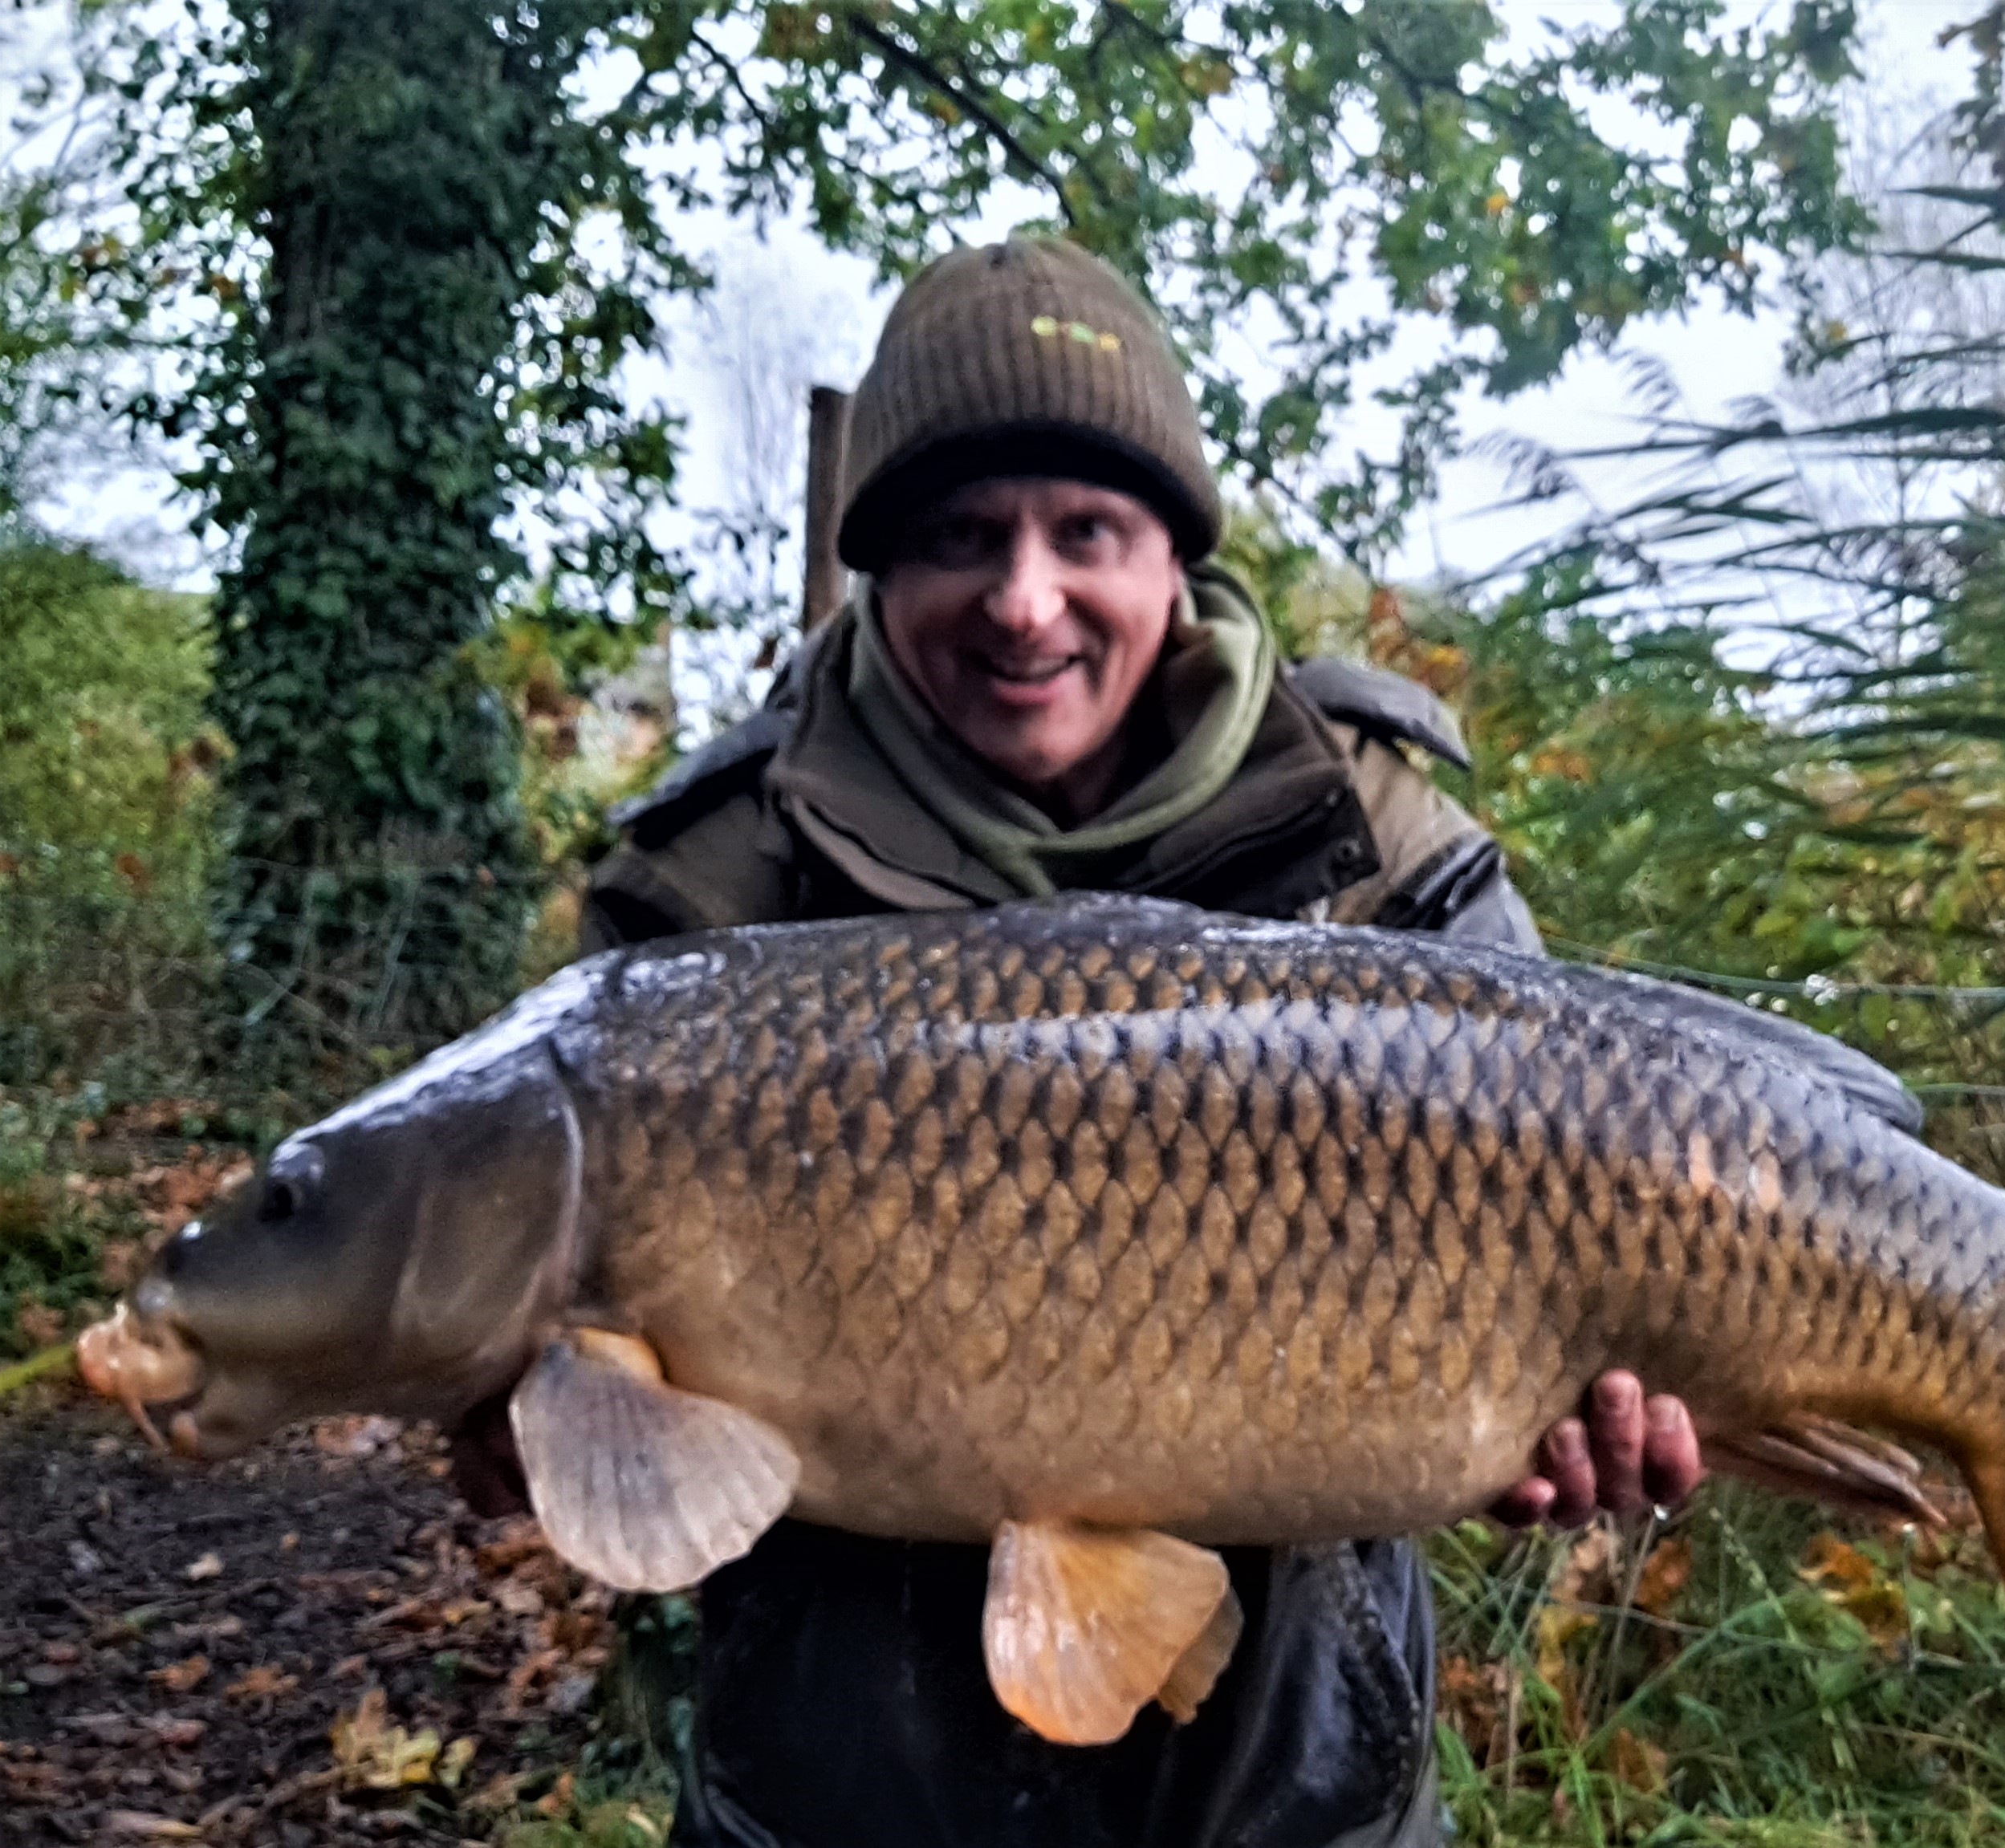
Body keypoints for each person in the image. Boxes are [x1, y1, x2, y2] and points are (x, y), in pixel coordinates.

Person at [510, 238, 1704, 1847]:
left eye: (1086, 532)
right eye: (955, 538)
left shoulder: (1370, 830)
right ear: (872, 571)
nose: (1023, 601)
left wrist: (1585, 1413)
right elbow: (555, 1404)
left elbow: (1597, 1170)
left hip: (1297, 1789)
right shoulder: (714, 879)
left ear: (1172, 559)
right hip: (836, 1786)